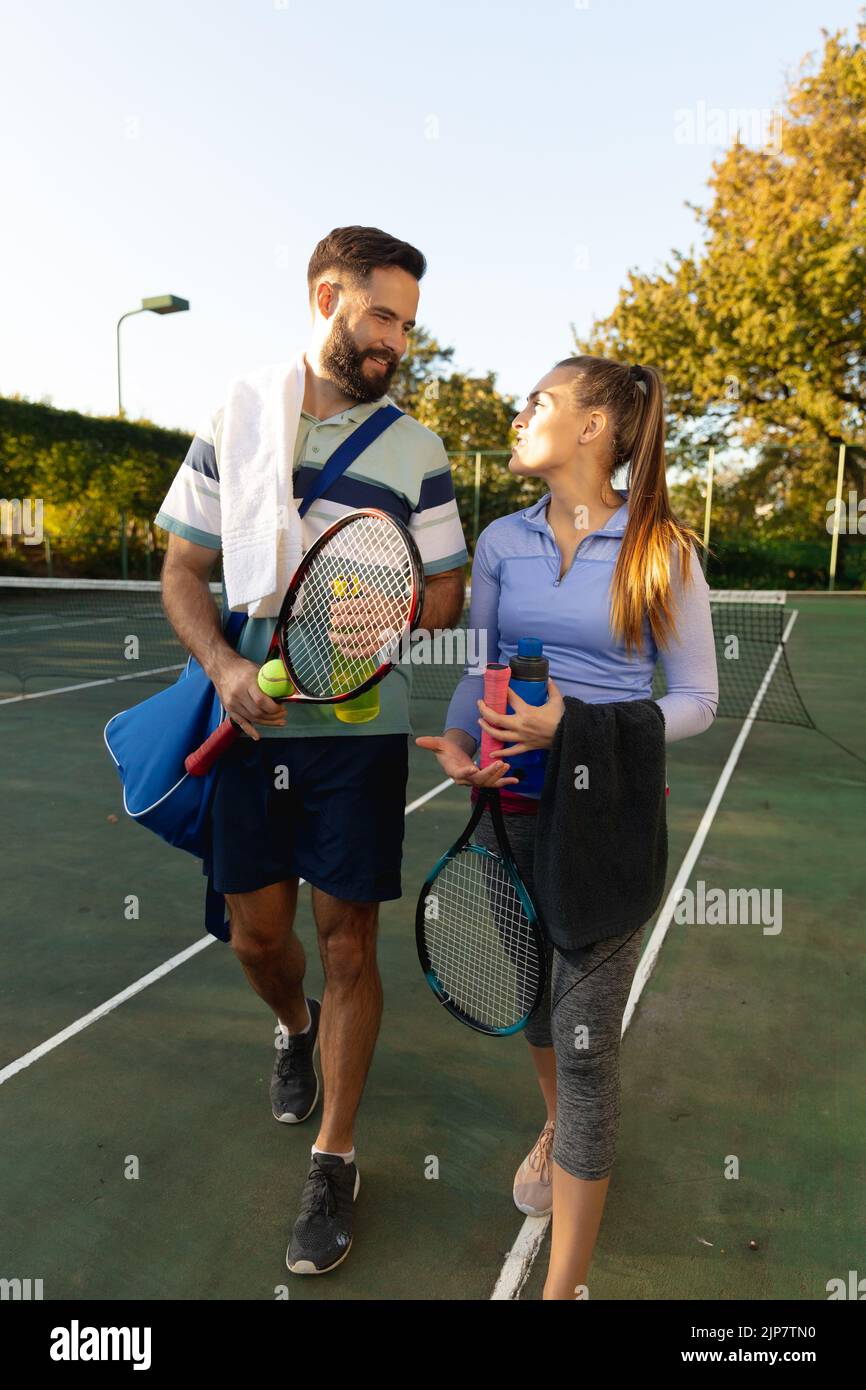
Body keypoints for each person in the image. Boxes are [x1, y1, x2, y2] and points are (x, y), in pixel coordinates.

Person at [155, 226, 468, 1274]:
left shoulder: (417, 451)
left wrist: (398, 617)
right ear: (325, 295)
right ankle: (291, 1026)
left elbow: (443, 592)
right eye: (381, 316)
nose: (395, 342)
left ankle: (335, 1157)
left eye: (408, 327)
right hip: (252, 724)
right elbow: (183, 573)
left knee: (348, 945)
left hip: (359, 730)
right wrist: (222, 669)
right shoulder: (237, 419)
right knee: (259, 938)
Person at [416, 355, 719, 1300]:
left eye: (539, 402)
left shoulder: (660, 547)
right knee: (539, 1008)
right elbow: (487, 664)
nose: (520, 413)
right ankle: (554, 1128)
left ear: (592, 428)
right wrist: (466, 735)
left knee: (587, 1042)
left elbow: (700, 699)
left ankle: (564, 1291)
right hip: (508, 806)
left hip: (610, 820)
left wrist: (576, 727)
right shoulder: (501, 541)